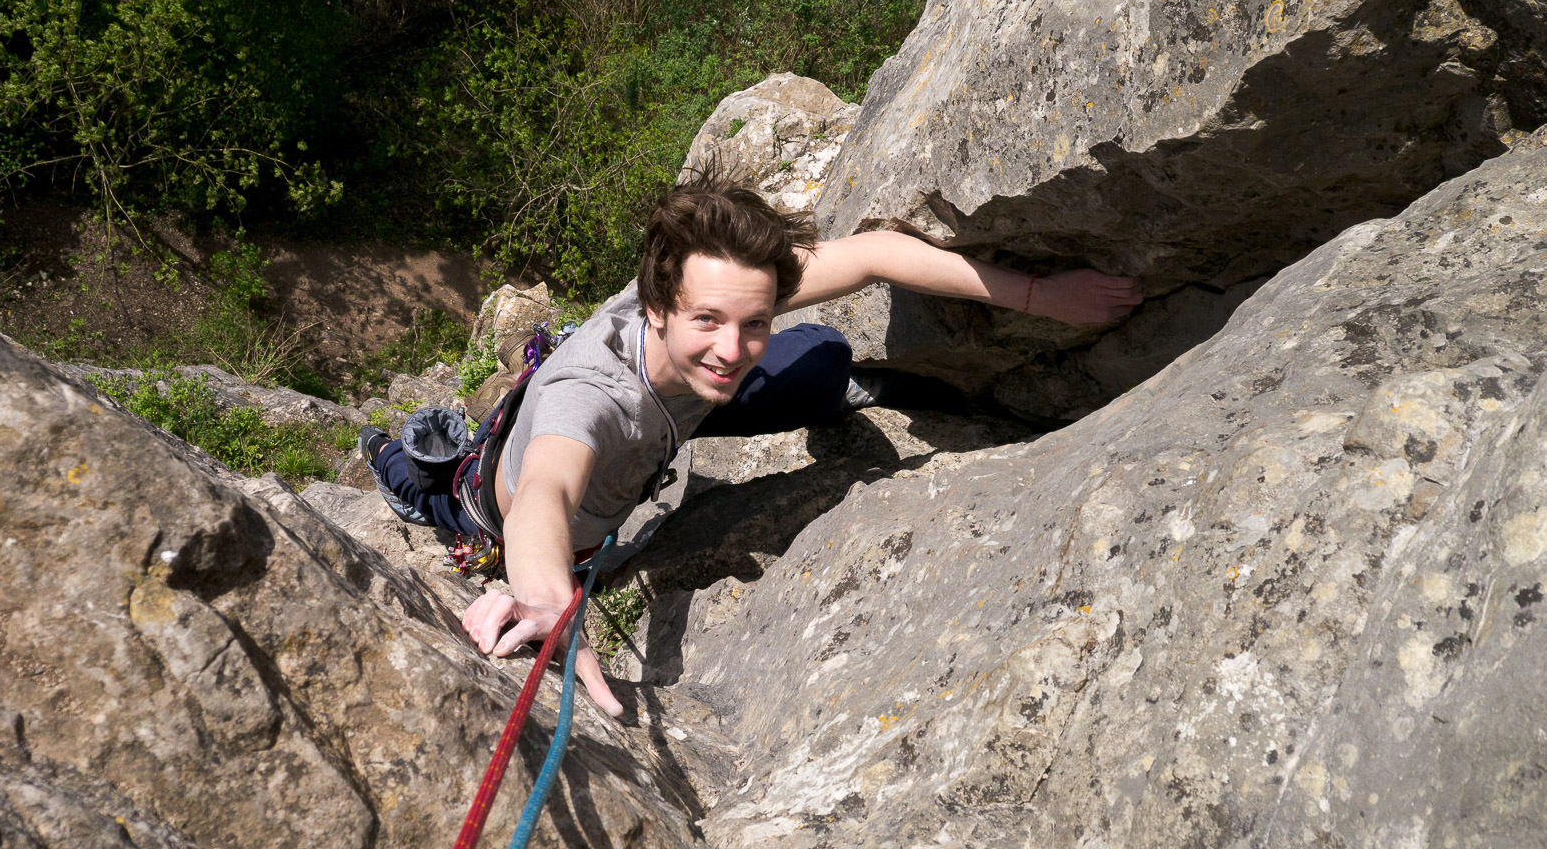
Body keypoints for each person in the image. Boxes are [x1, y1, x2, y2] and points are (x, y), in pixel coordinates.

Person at [364, 173, 1141, 716]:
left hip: (669, 424)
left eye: (753, 323)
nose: (734, 348)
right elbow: (545, 493)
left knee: (825, 360)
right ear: (658, 307)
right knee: (427, 490)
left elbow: (870, 253)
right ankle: (407, 470)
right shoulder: (588, 397)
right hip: (498, 513)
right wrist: (544, 594)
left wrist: (1045, 297)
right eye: (708, 322)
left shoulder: (722, 292)